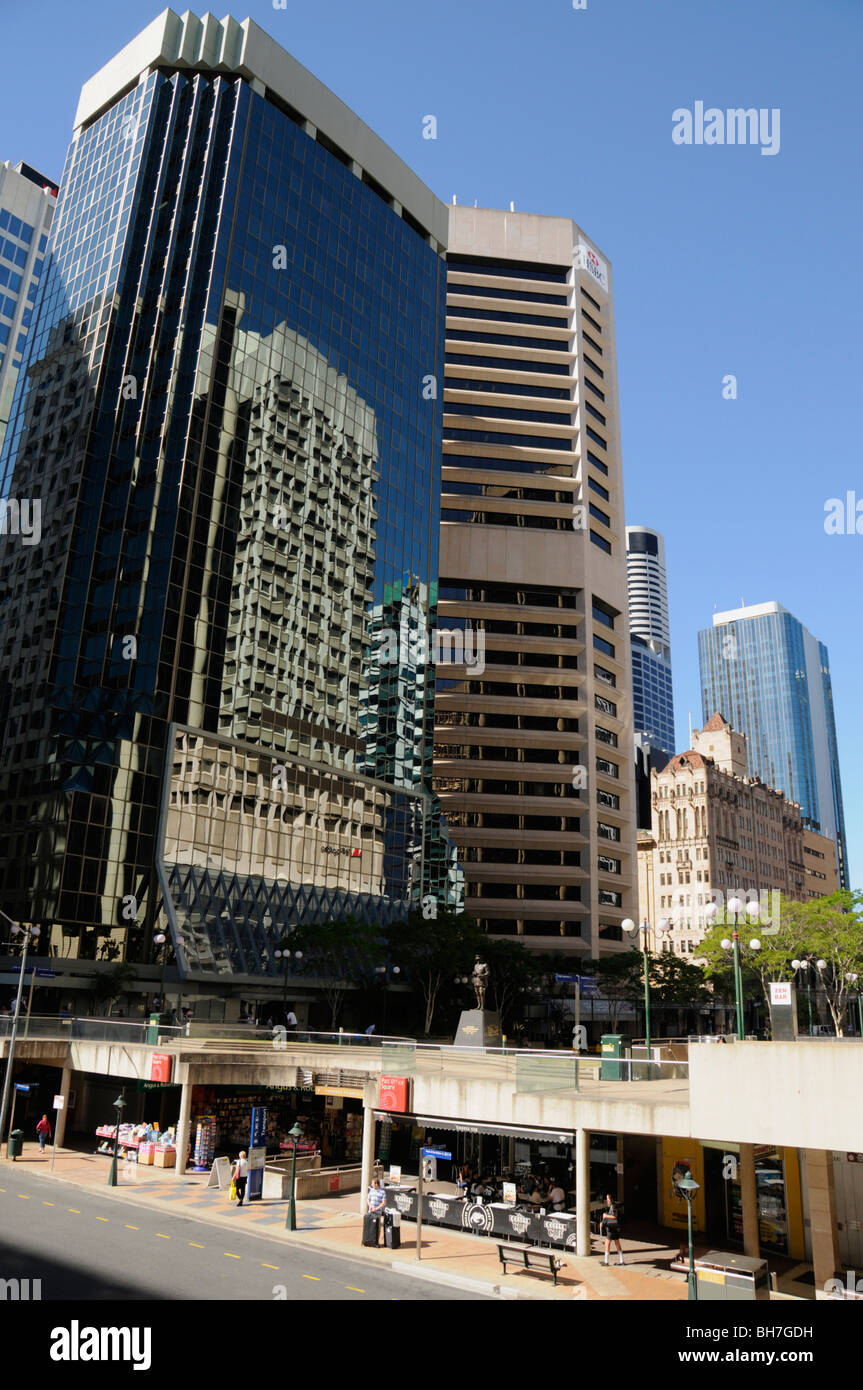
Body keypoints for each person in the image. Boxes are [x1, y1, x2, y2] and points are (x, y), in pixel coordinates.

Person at [600, 1194, 623, 1265]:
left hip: (612, 1228)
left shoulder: (614, 1206)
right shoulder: (611, 1206)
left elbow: (614, 1216)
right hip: (614, 1228)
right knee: (617, 1243)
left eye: (608, 1198)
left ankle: (606, 1261)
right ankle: (621, 1260)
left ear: (612, 1199)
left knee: (607, 1243)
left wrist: (605, 1215)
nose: (607, 1200)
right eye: (607, 1198)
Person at [366, 1177, 387, 1246]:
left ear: (376, 1184)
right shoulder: (371, 1190)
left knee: (377, 1227)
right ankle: (369, 1240)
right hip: (370, 1212)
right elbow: (368, 1199)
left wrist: (376, 1209)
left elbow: (384, 1203)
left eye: (372, 1183)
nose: (371, 1184)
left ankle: (376, 1242)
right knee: (370, 1226)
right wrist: (370, 1206)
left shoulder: (382, 1192)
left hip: (377, 1213)